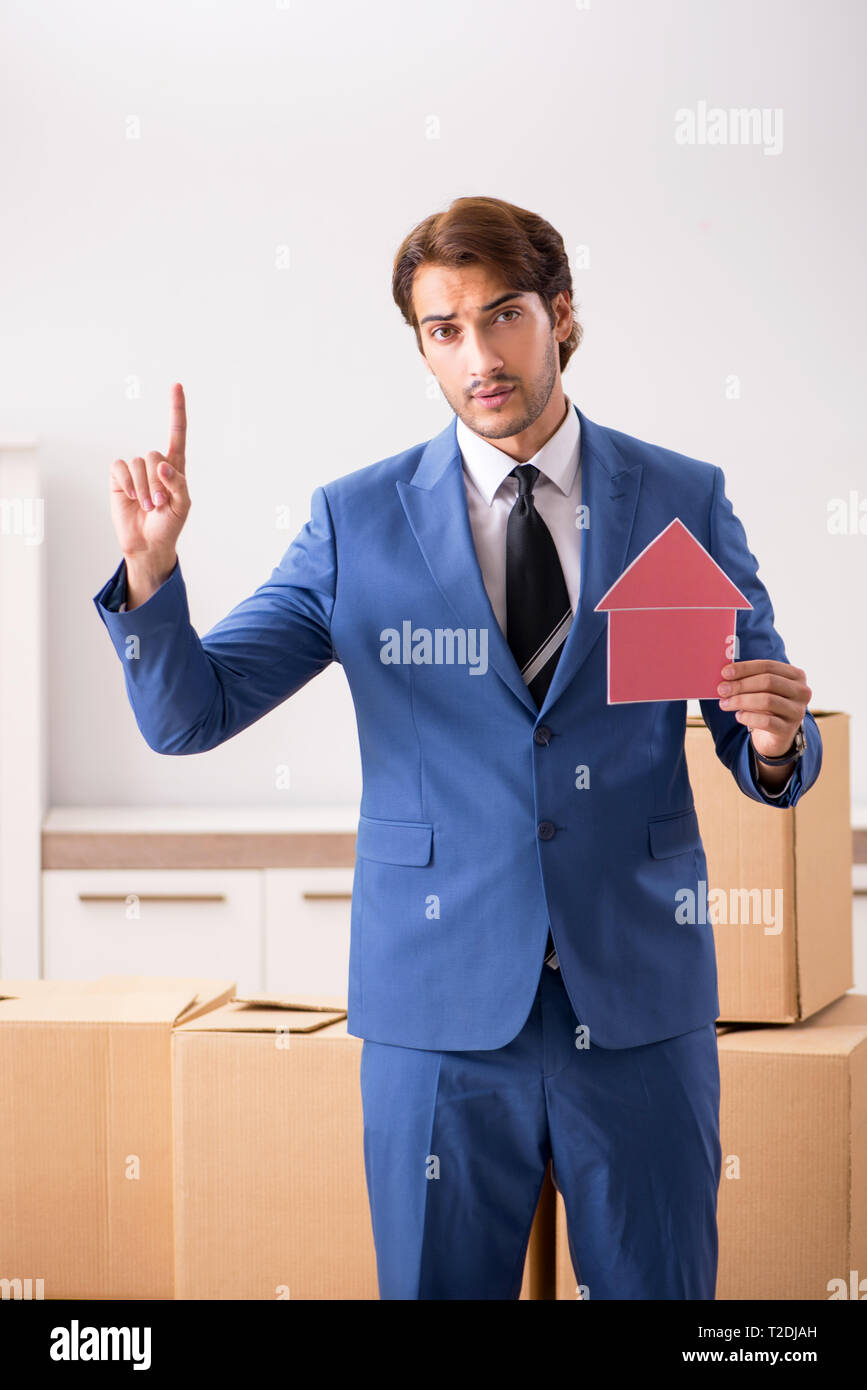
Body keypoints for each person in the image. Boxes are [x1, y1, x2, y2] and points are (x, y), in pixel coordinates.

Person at [93, 195, 821, 1300]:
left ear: (562, 314)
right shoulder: (358, 521)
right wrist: (151, 576)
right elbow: (190, 713)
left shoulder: (677, 501)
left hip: (634, 1005)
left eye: (504, 315)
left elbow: (758, 739)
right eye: (444, 329)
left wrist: (776, 744)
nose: (478, 354)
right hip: (438, 1019)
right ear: (422, 347)